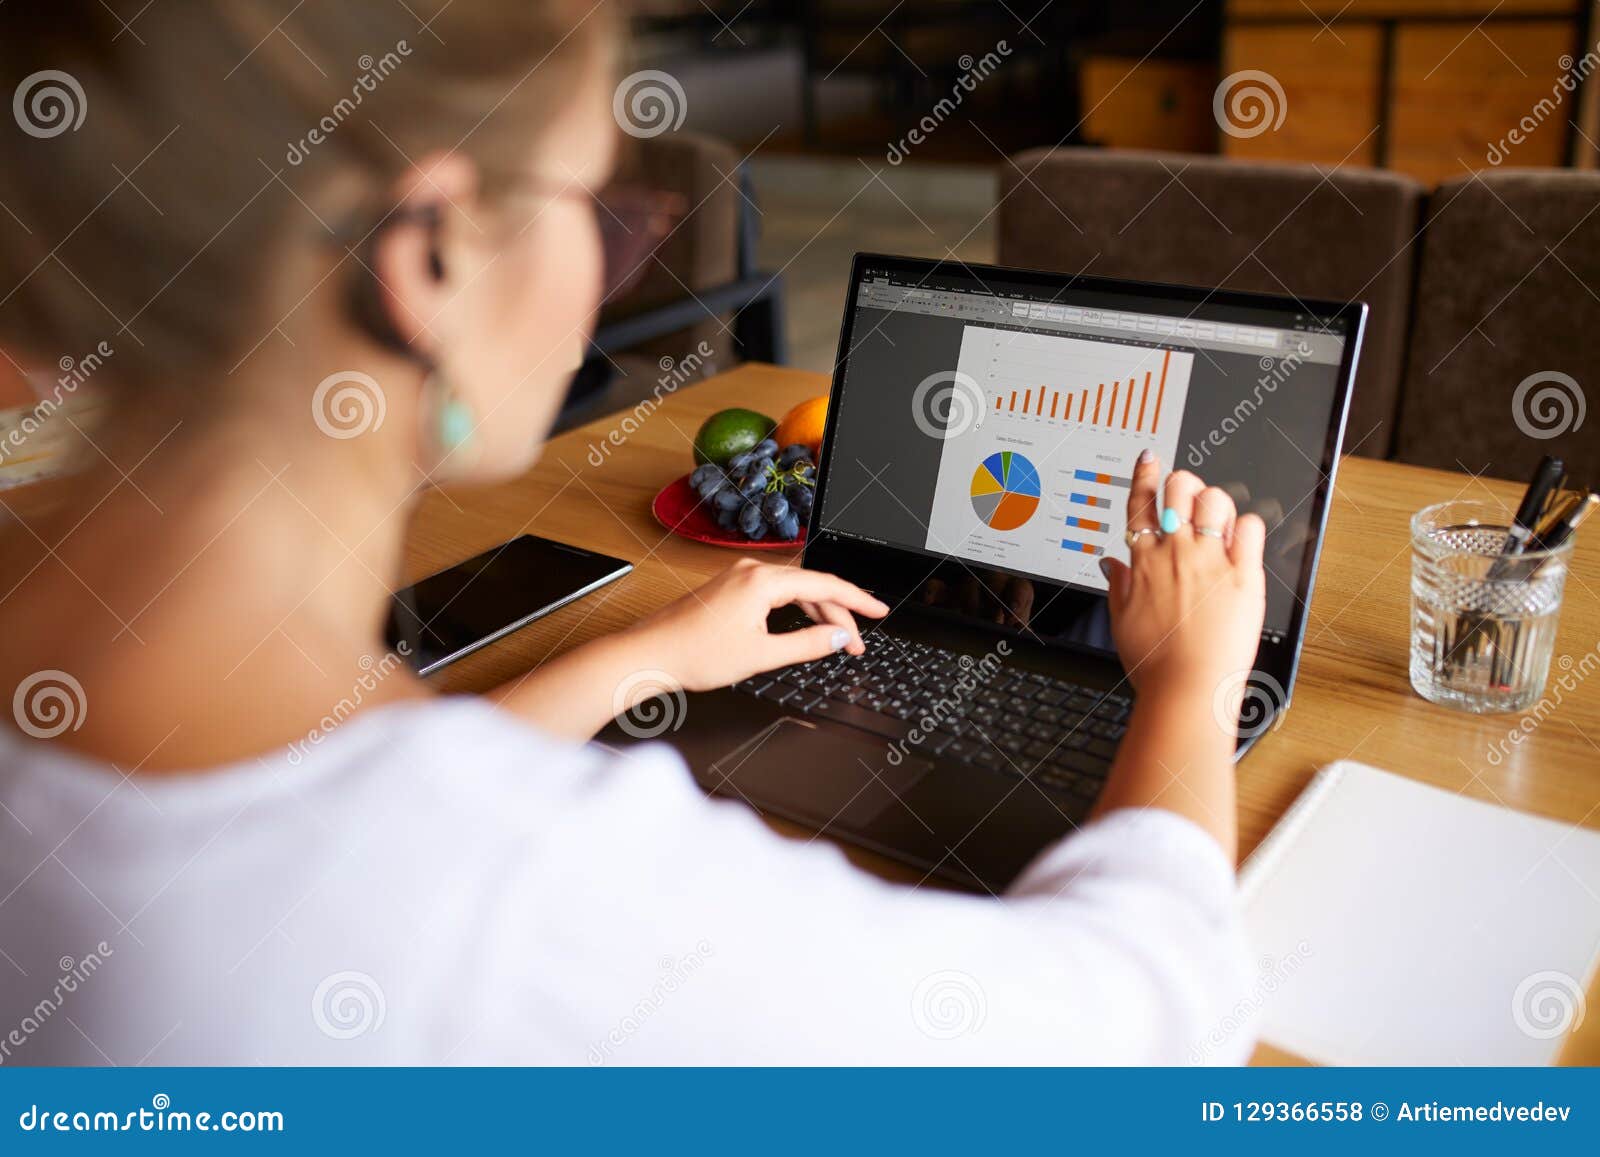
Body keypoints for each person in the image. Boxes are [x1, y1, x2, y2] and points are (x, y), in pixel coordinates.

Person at [0, 2, 1266, 1063]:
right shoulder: (531, 895)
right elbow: (1125, 1036)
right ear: (427, 256)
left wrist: (641, 659)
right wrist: (1194, 685)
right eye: (600, 204)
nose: (613, 256)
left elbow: (312, 815)